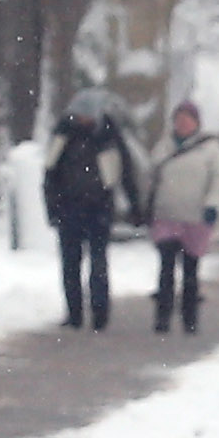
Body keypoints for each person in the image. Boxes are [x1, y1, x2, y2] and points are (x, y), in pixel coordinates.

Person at [40, 98, 140, 331]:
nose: (84, 119)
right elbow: (50, 173)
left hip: (98, 207)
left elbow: (125, 170)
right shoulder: (64, 134)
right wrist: (52, 206)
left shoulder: (107, 135)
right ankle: (74, 313)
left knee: (97, 263)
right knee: (71, 264)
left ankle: (99, 313)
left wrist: (134, 205)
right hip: (69, 207)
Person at [138, 100, 219, 334]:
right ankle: (163, 316)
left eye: (187, 119)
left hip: (195, 218)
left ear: (196, 122)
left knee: (190, 269)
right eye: (179, 119)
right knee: (166, 267)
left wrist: (212, 204)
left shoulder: (211, 149)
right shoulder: (163, 147)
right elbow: (150, 177)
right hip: (166, 215)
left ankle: (190, 318)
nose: (183, 124)